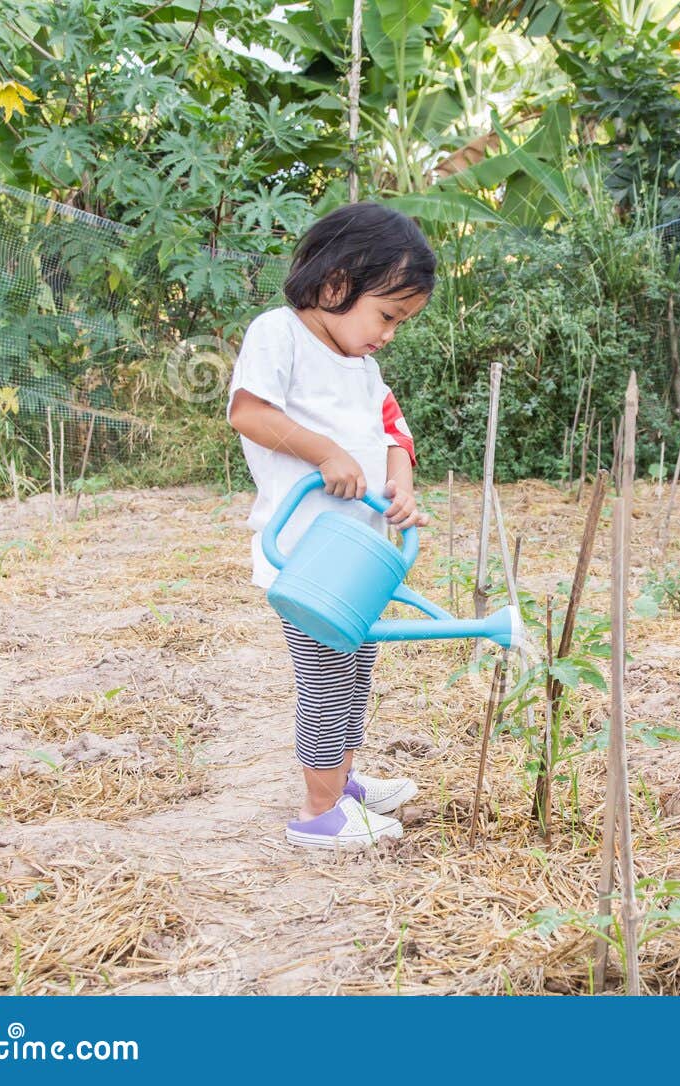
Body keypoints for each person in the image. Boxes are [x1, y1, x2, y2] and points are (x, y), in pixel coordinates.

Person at [227, 202, 434, 850]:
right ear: (339, 282)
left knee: (356, 670)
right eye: (388, 315)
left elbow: (390, 434)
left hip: (359, 556)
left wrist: (399, 480)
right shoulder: (279, 334)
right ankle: (320, 814)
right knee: (324, 681)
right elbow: (248, 413)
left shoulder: (363, 367)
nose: (389, 334)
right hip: (308, 560)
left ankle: (341, 781)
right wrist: (323, 452)